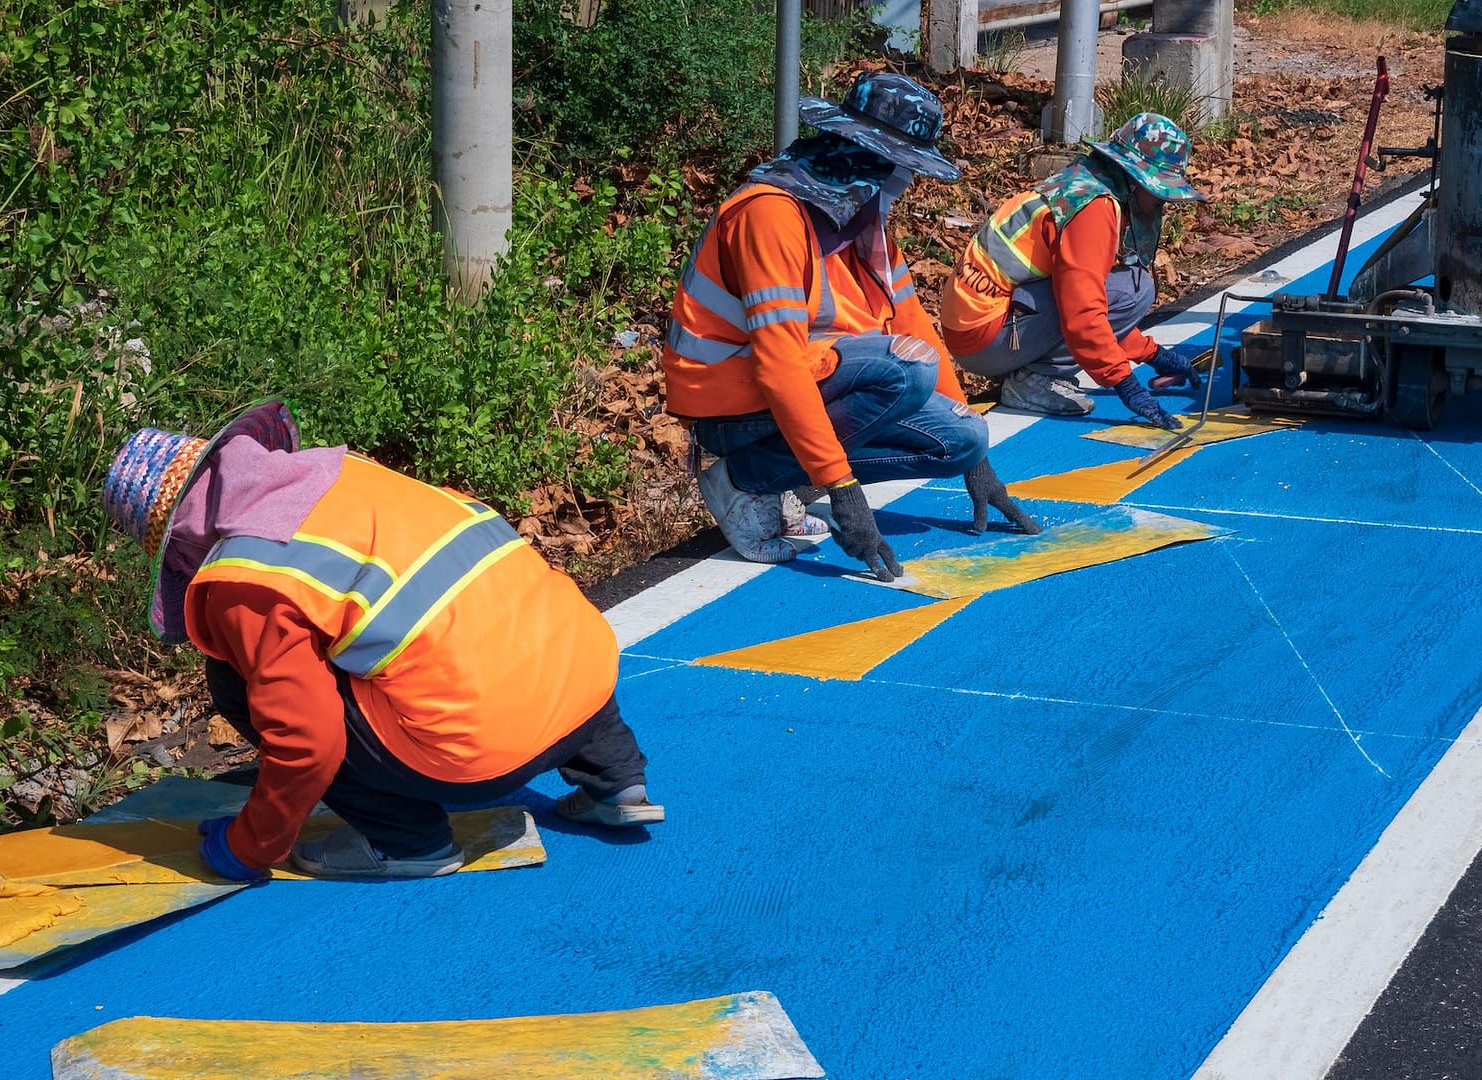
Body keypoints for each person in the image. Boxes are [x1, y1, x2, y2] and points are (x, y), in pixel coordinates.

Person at [100, 400, 660, 882]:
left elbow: (307, 744)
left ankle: (408, 841)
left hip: (483, 754)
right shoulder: (345, 476)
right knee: (512, 620)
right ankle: (617, 781)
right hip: (586, 668)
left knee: (236, 678)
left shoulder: (246, 576)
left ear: (176, 547)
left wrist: (250, 845)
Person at [664, 72, 1039, 582]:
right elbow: (779, 366)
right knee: (905, 372)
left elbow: (912, 323)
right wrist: (842, 490)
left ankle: (786, 476)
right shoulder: (771, 216)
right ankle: (745, 479)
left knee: (964, 437)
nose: (904, 183)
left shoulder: (860, 222)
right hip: (728, 403)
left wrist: (978, 463)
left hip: (802, 385)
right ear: (865, 156)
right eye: (901, 167)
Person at [940, 112, 1208, 425]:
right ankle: (1034, 380)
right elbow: (1084, 312)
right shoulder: (1095, 209)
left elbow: (1092, 303)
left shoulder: (1084, 182)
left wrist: (1153, 355)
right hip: (987, 338)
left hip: (976, 327)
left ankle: (1032, 371)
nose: (1165, 203)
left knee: (1117, 290)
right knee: (1135, 289)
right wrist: (1126, 385)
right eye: (1161, 192)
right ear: (1137, 180)